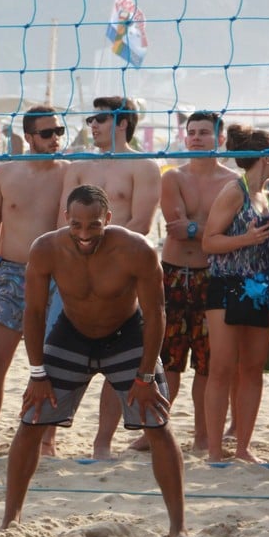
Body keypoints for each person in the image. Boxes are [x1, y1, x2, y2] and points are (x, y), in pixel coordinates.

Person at [2, 185, 186, 537]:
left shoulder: (136, 249)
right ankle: (10, 520)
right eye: (77, 226)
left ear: (108, 220)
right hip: (72, 334)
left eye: (94, 226)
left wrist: (146, 376)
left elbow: (156, 313)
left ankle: (178, 528)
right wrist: (37, 372)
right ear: (66, 219)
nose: (85, 234)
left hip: (127, 335)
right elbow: (35, 312)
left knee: (158, 424)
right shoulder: (46, 248)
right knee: (32, 419)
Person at [126, 112, 238, 453]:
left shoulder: (233, 182)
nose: (197, 138)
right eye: (191, 132)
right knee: (167, 360)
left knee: (207, 362)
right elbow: (178, 227)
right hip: (173, 273)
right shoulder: (173, 176)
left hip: (213, 276)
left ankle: (203, 435)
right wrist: (209, 231)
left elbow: (207, 234)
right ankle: (155, 430)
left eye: (204, 132)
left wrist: (198, 230)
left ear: (219, 138)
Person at [59, 96, 161, 457]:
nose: (92, 125)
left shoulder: (144, 166)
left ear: (121, 122)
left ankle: (102, 441)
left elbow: (142, 224)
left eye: (99, 118)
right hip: (75, 271)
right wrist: (83, 254)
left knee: (117, 362)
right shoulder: (79, 166)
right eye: (90, 119)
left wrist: (101, 257)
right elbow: (63, 222)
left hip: (119, 274)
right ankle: (46, 441)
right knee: (64, 356)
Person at [0, 106, 69, 455]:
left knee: (51, 363)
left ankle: (48, 440)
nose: (55, 138)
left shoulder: (69, 172)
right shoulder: (6, 174)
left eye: (59, 132)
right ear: (29, 137)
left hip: (55, 275)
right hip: (9, 272)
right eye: (47, 133)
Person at [201, 125, 269, 463]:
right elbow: (209, 241)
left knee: (253, 369)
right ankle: (216, 450)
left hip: (260, 289)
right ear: (264, 157)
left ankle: (243, 447)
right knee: (222, 368)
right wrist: (246, 239)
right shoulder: (234, 191)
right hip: (226, 285)